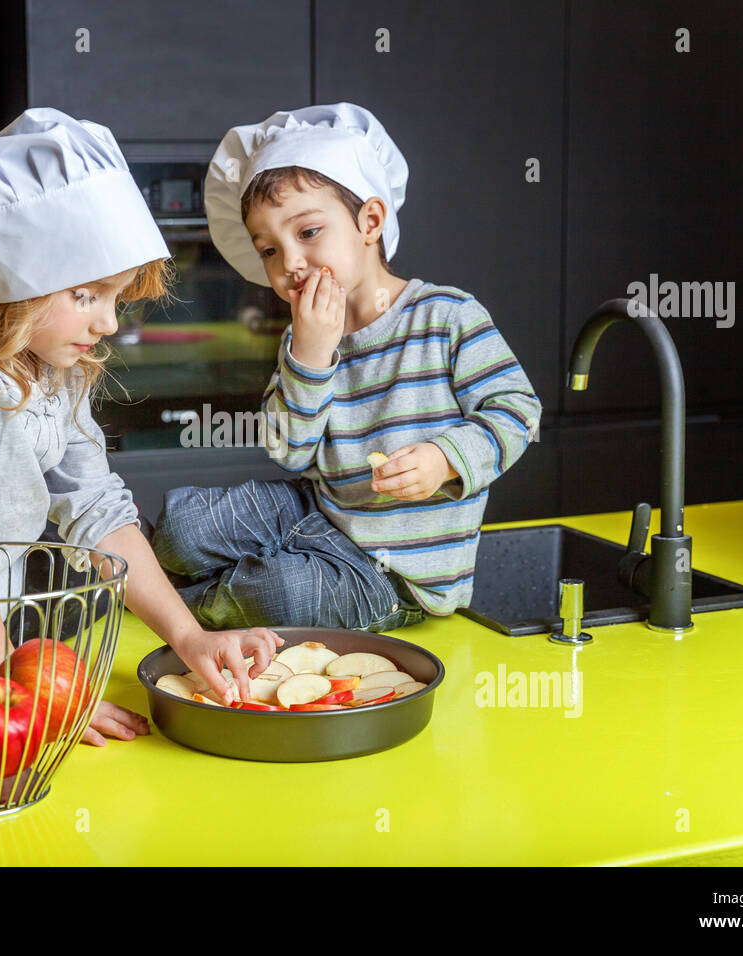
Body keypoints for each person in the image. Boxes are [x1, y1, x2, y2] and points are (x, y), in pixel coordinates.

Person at [0, 109, 282, 745]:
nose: (109, 324)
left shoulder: (54, 365)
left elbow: (96, 509)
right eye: (87, 296)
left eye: (115, 299)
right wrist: (19, 694)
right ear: (19, 280)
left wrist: (188, 636)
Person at [151, 103, 543, 632]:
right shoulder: (303, 335)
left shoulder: (448, 316)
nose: (289, 262)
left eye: (308, 232)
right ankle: (221, 578)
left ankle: (187, 602)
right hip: (318, 510)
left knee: (281, 593)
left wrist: (444, 459)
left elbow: (518, 411)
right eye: (269, 249)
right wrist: (311, 355)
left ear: (370, 221)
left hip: (394, 575)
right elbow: (290, 451)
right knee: (182, 525)